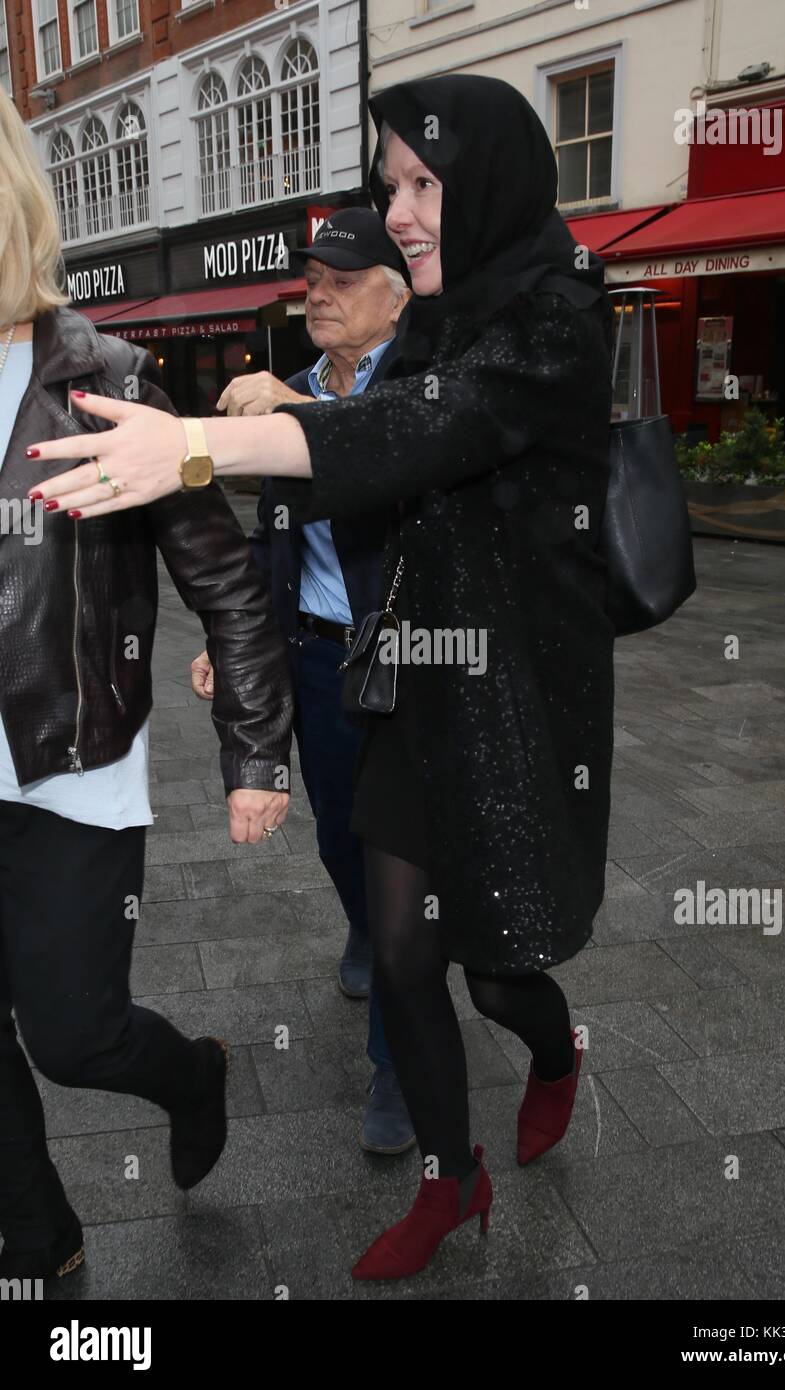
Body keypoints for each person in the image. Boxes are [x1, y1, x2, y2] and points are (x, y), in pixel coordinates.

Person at [28, 74, 616, 1283]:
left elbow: (412, 432)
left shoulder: (554, 319)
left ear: (492, 180)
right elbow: (363, 462)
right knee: (399, 951)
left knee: (500, 977)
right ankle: (451, 1181)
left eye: (421, 184)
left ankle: (553, 1053)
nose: (397, 210)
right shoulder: (443, 312)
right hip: (406, 679)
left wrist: (193, 443)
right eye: (389, 182)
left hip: (512, 704)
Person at [0, 86, 292, 1285]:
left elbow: (223, 576)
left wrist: (256, 751)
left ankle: (192, 1073)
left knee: (71, 1032)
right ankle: (39, 1233)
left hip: (69, 758)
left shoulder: (101, 373)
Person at [191, 209, 415, 1154]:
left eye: (343, 276)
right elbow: (272, 531)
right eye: (311, 276)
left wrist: (292, 413)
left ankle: (398, 1066)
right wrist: (235, 633)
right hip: (316, 657)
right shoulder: (303, 384)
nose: (317, 291)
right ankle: (364, 925)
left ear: (396, 290)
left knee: (403, 864)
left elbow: (407, 454)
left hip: (414, 660)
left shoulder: (428, 372)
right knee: (336, 833)